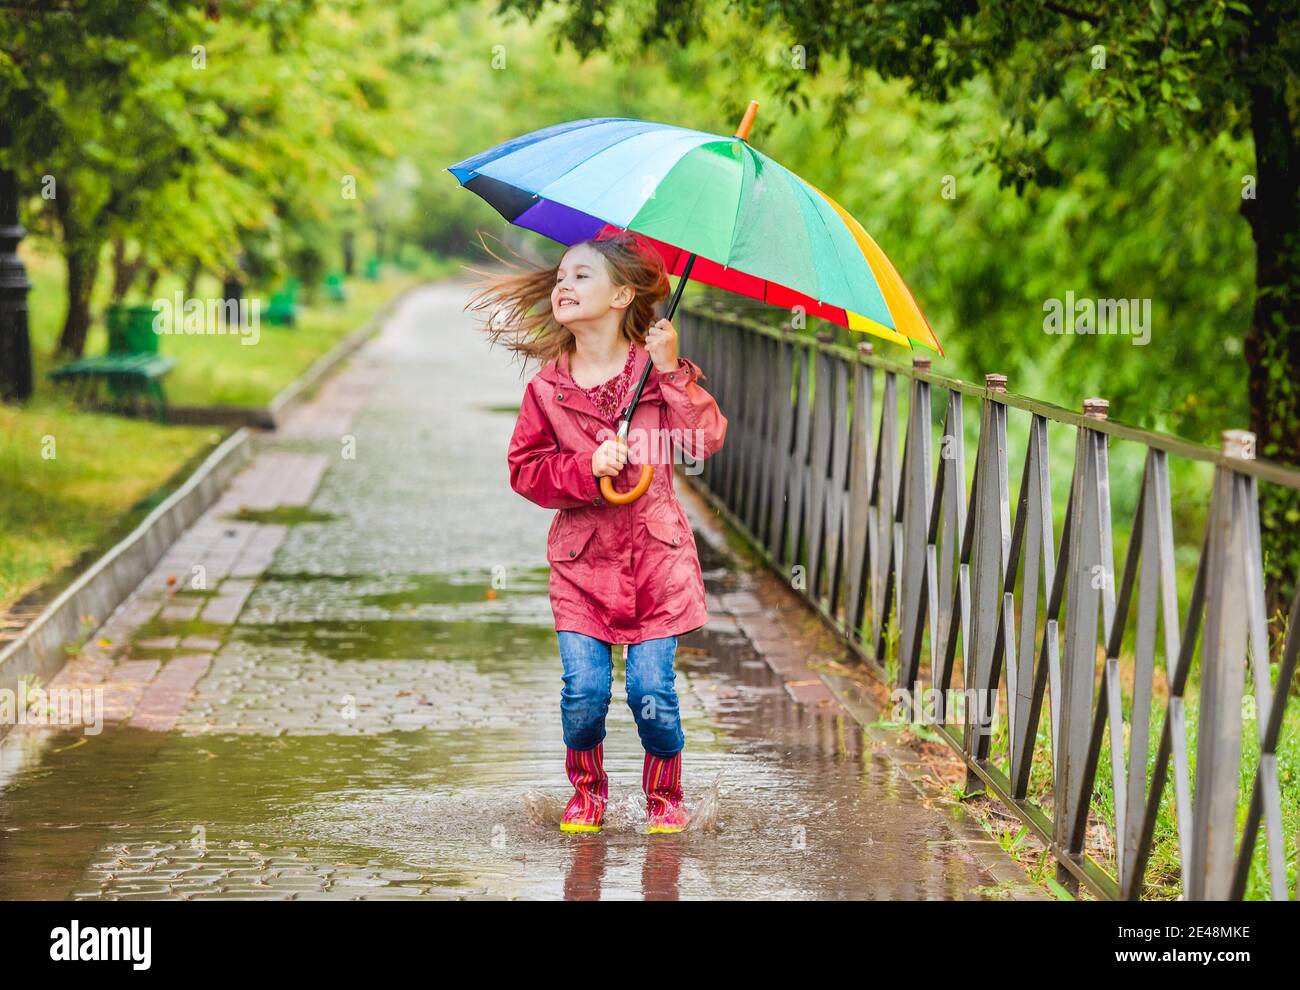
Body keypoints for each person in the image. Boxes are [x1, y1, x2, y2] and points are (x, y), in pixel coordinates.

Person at [464, 226, 728, 834]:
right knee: (584, 695)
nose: (563, 285)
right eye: (559, 276)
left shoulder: (659, 378)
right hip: (583, 566)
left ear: (621, 297)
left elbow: (704, 440)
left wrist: (671, 374)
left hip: (657, 564)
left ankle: (665, 795)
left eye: (581, 275)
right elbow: (525, 471)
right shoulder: (548, 389)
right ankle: (588, 790)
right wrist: (587, 467)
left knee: (651, 695)